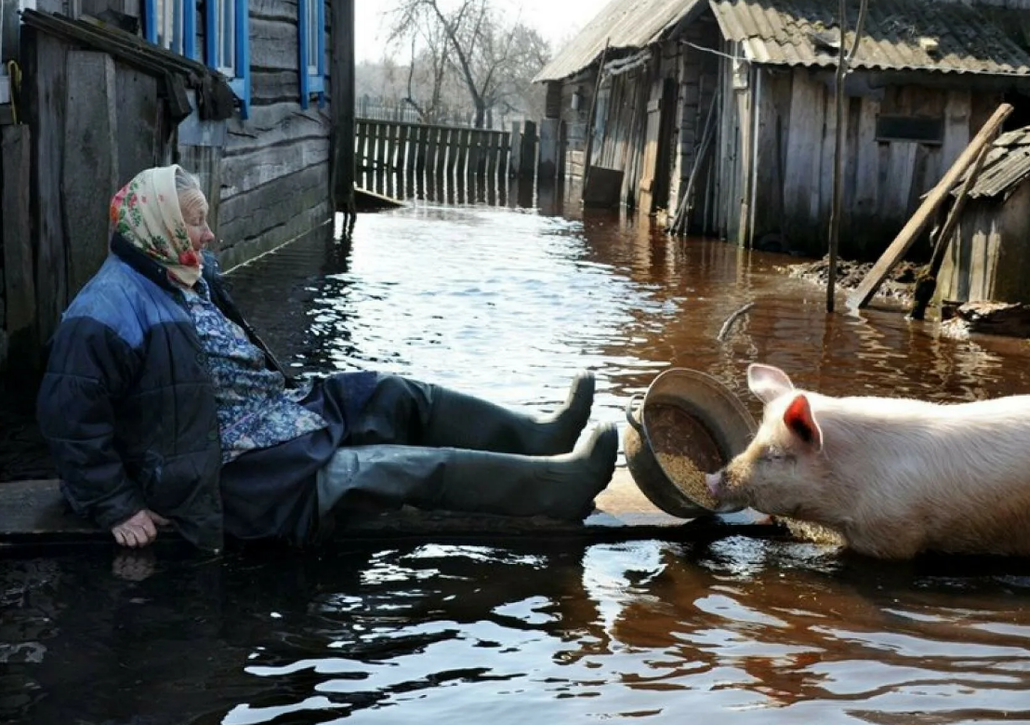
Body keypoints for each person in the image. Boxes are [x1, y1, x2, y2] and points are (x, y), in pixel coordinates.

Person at [36, 165, 618, 553]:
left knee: (391, 393)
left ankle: (540, 436)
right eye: (196, 220)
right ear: (159, 223)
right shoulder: (104, 312)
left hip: (272, 415)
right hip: (224, 473)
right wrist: (118, 504)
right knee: (378, 467)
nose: (210, 234)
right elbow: (68, 418)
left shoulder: (182, 269)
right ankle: (559, 488)